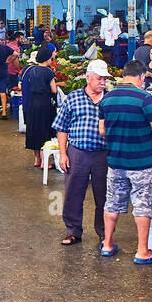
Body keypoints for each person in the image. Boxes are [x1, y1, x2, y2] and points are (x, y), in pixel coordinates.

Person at [98, 60, 152, 262]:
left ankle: (107, 244)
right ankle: (142, 252)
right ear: (142, 77)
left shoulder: (107, 99)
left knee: (111, 203)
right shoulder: (144, 99)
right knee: (142, 205)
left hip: (115, 161)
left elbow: (102, 130)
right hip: (140, 163)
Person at [53, 59, 111, 247]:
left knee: (104, 195)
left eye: (105, 79)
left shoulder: (110, 100)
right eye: (99, 78)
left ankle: (104, 234)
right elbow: (61, 128)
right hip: (78, 153)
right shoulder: (73, 98)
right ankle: (73, 231)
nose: (103, 82)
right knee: (73, 193)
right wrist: (63, 153)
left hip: (104, 155)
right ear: (88, 78)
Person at [21, 43, 59, 167]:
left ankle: (37, 159)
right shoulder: (48, 72)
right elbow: (54, 90)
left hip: (32, 103)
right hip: (45, 104)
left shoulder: (31, 70)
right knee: (45, 131)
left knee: (34, 130)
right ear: (47, 59)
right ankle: (45, 162)